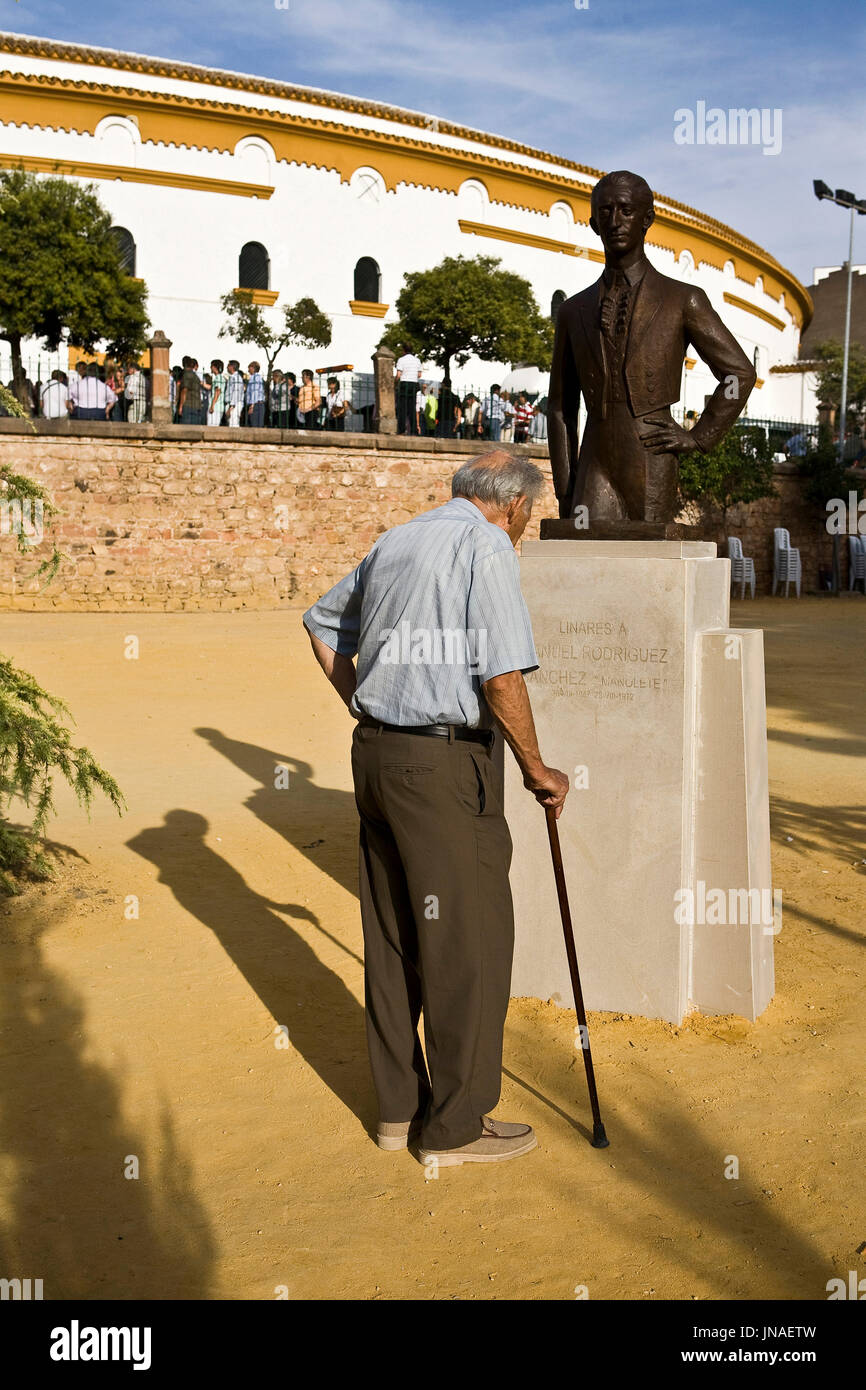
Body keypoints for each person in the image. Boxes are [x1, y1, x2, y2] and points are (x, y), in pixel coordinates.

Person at [303, 451, 569, 1167]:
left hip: (377, 756)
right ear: (512, 506)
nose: (525, 527)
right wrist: (536, 769)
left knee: (394, 938)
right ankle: (454, 1129)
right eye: (529, 516)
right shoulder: (485, 546)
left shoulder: (400, 537)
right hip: (446, 765)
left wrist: (369, 704)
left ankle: (397, 1112)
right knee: (468, 944)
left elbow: (324, 627)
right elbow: (502, 672)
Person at [395, 343, 422, 435]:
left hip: (404, 383)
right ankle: (414, 430)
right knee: (412, 408)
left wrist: (395, 382)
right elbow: (419, 375)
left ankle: (401, 430)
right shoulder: (417, 360)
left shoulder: (401, 360)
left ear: (404, 350)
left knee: (402, 408)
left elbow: (398, 375)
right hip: (414, 384)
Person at [177, 355, 203, 425]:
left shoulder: (186, 375)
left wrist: (180, 406)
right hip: (197, 406)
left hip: (187, 406)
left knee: (185, 430)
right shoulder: (196, 377)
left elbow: (184, 390)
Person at [223, 359, 245, 427]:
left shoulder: (236, 378)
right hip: (231, 404)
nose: (226, 368)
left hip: (234, 405)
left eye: (228, 366)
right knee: (230, 423)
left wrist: (231, 407)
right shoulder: (233, 377)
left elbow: (236, 392)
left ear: (232, 367)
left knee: (233, 424)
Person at [245, 361, 266, 427]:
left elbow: (255, 391)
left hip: (256, 405)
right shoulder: (256, 377)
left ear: (253, 368)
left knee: (255, 425)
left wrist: (252, 405)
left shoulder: (255, 378)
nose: (248, 370)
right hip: (257, 404)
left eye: (249, 368)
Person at [208, 359, 226, 426]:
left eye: (211, 366)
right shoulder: (221, 378)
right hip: (219, 407)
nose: (210, 368)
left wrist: (212, 406)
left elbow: (217, 391)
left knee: (212, 426)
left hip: (215, 407)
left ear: (215, 367)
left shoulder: (218, 378)